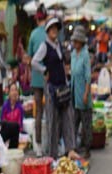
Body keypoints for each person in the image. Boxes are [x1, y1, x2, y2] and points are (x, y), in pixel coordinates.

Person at [32, 17, 70, 157]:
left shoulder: (58, 44)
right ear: (47, 31)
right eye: (52, 28)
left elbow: (61, 63)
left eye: (56, 28)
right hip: (51, 88)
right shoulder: (45, 45)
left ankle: (64, 148)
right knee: (52, 121)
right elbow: (34, 62)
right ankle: (52, 154)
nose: (54, 31)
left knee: (63, 119)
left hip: (62, 87)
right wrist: (44, 70)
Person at [70, 26, 92, 157]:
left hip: (83, 93)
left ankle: (87, 148)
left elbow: (88, 76)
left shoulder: (85, 55)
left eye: (76, 41)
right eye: (74, 41)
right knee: (74, 122)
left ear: (81, 42)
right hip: (74, 92)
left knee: (86, 123)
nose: (74, 43)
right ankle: (74, 147)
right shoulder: (73, 54)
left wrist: (86, 93)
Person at [28, 11, 48, 151]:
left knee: (38, 112)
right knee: (50, 111)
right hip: (48, 77)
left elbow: (30, 56)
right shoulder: (49, 33)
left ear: (36, 20)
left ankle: (39, 146)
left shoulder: (33, 34)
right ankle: (52, 143)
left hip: (36, 78)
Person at [0, 82, 25, 147]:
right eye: (12, 90)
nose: (14, 92)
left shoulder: (20, 107)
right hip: (6, 133)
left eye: (15, 90)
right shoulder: (5, 106)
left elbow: (20, 125)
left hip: (16, 134)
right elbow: (3, 123)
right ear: (9, 93)